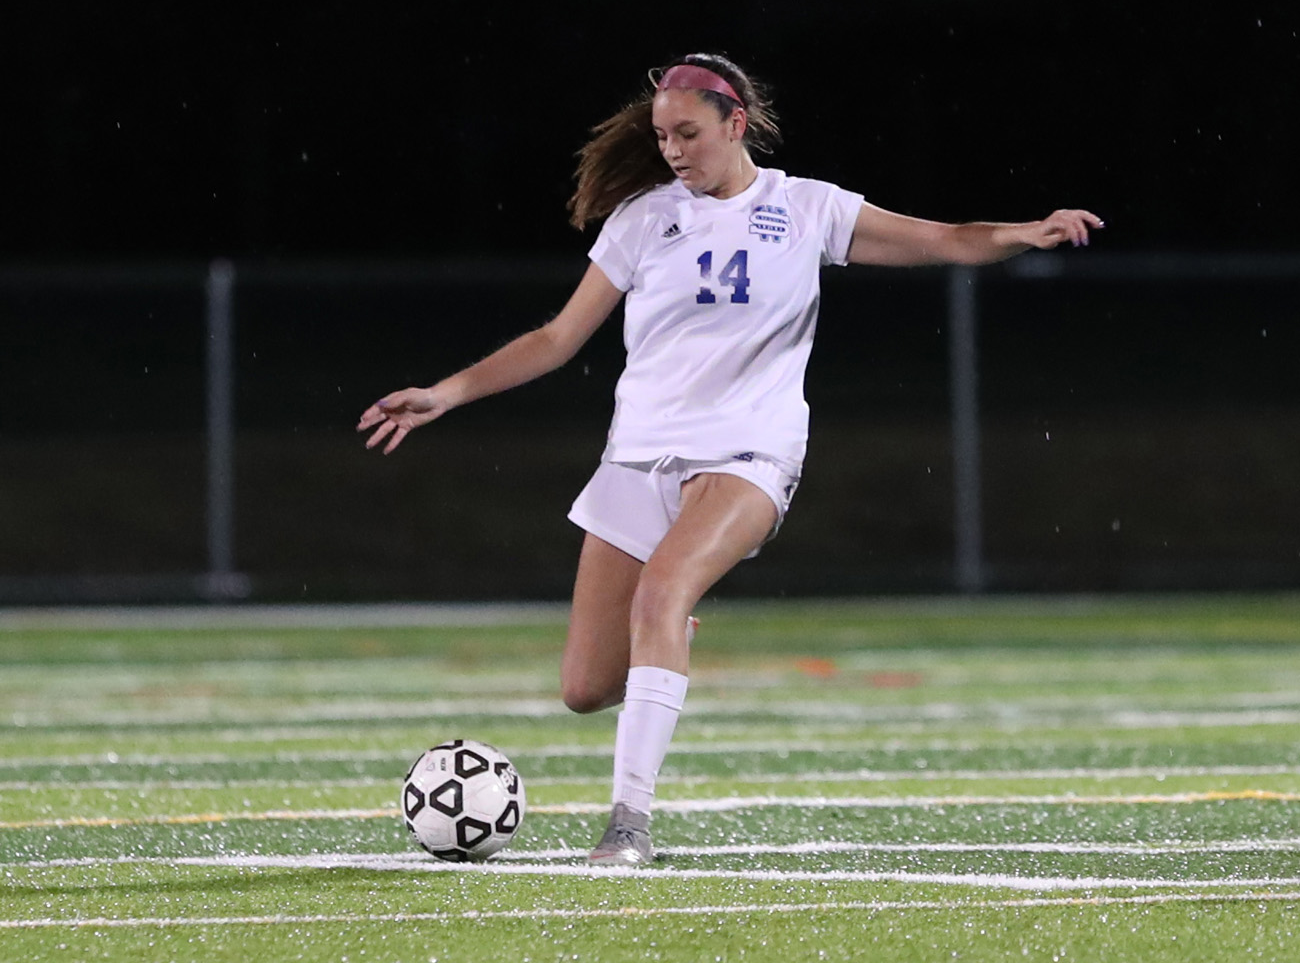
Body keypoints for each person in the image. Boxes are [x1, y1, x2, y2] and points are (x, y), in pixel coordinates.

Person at [358, 52, 1102, 866]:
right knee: (583, 688)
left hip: (750, 453)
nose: (673, 150)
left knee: (662, 589)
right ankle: (668, 633)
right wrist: (446, 393)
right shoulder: (643, 220)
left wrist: (1023, 233)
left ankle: (628, 826)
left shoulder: (806, 209)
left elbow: (944, 241)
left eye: (688, 133)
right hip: (638, 458)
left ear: (735, 124)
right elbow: (557, 339)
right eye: (661, 136)